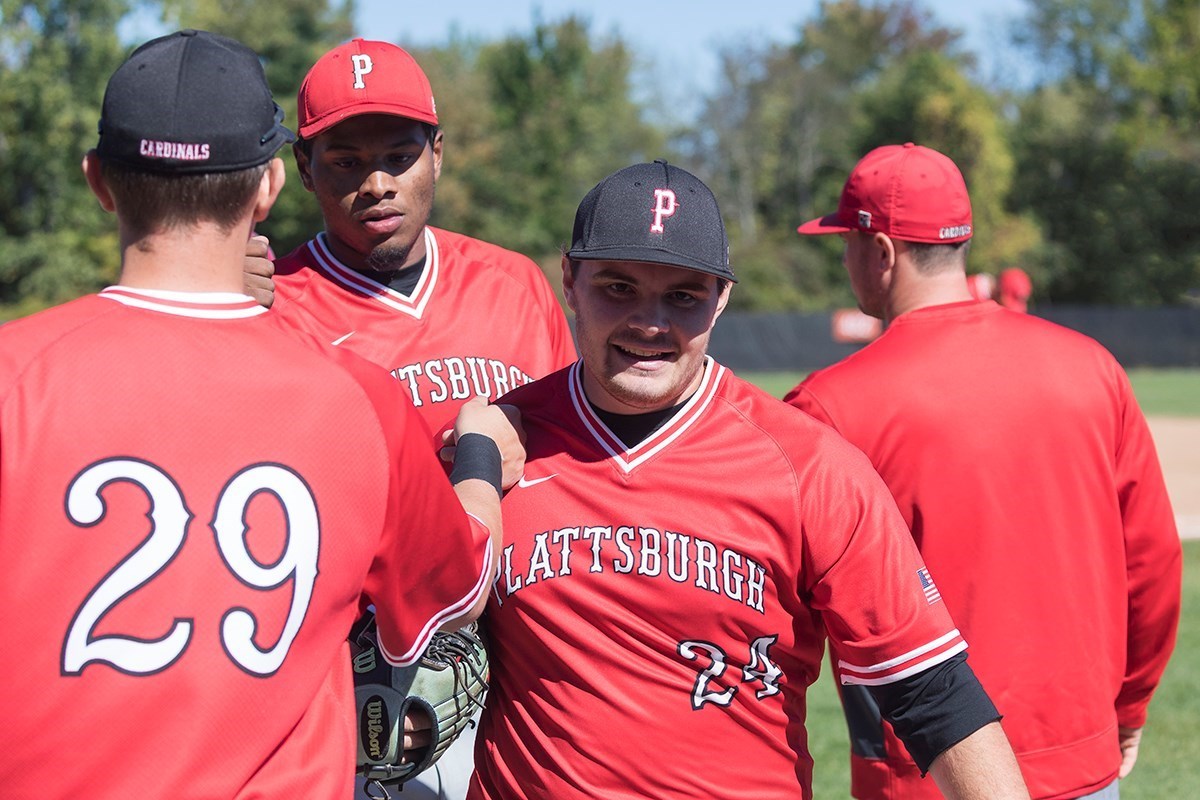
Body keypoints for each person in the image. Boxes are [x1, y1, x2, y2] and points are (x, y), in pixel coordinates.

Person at [0, 30, 519, 799]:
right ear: (272, 184)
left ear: (99, 181)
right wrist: (476, 458)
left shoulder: (13, 376)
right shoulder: (355, 398)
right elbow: (461, 587)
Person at [464, 160, 1031, 800]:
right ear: (569, 279)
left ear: (722, 297)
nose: (649, 323)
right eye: (618, 287)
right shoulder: (500, 445)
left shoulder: (808, 466)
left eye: (684, 296)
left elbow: (932, 691)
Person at [785, 142, 1182, 799]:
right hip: (1079, 758)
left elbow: (777, 620)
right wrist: (1129, 706)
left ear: (880, 251)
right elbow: (1153, 562)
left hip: (925, 775)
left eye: (847, 243)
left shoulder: (828, 405)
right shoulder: (1093, 367)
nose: (845, 260)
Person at [257, 37, 576, 436]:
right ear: (305, 169)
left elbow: (575, 451)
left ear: (436, 154)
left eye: (400, 158)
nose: (377, 185)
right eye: (347, 162)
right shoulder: (271, 308)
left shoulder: (517, 284)